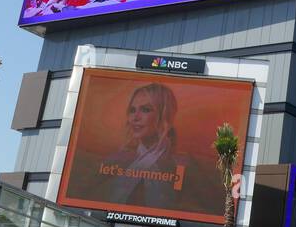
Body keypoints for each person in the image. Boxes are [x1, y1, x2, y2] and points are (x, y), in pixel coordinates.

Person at [72, 83, 216, 216]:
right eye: (132, 110)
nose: (135, 117)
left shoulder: (183, 164)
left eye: (146, 110)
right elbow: (77, 197)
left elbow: (212, 209)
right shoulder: (117, 160)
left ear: (164, 114)